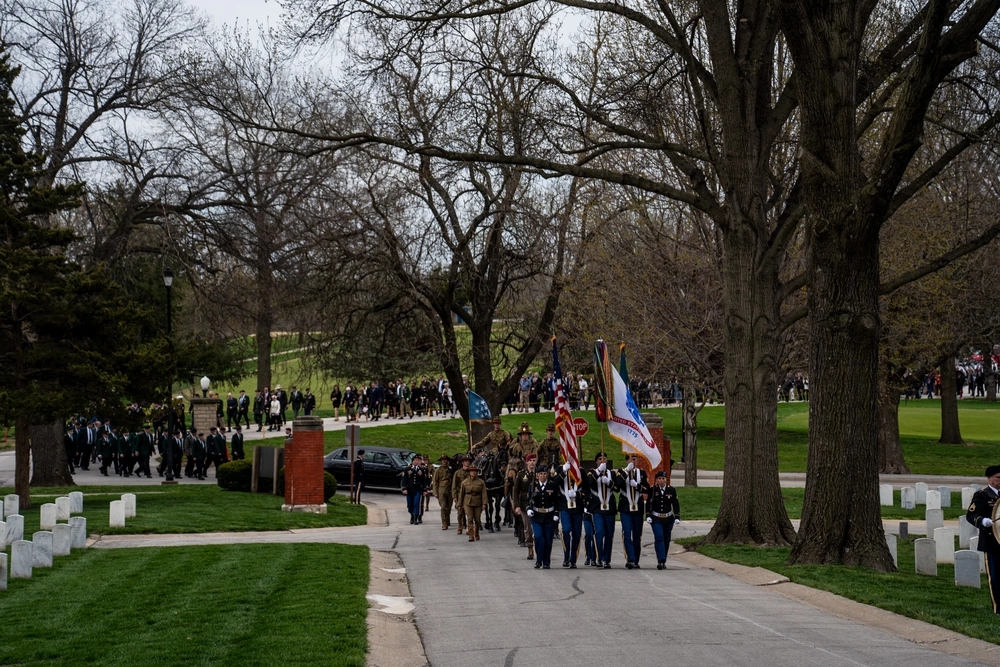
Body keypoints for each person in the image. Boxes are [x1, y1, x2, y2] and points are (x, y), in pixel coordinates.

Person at [967, 465, 1000, 613]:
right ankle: (998, 608)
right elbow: (971, 515)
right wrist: (982, 521)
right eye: (998, 478)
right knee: (996, 577)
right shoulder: (982, 495)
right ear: (989, 479)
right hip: (992, 542)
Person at [615, 453, 650, 569]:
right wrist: (626, 471)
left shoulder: (642, 473)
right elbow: (618, 484)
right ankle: (629, 558)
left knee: (637, 534)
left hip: (637, 507)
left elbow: (647, 489)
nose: (633, 461)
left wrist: (638, 486)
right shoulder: (621, 471)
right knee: (627, 532)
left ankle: (636, 559)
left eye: (635, 459)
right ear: (626, 461)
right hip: (625, 507)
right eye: (631, 459)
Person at [526, 464, 559, 568]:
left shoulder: (552, 485)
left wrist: (556, 513)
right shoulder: (533, 486)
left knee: (548, 540)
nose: (543, 476)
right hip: (537, 516)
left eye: (545, 474)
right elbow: (528, 500)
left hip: (549, 516)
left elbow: (556, 501)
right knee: (539, 537)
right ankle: (539, 560)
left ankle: (546, 562)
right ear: (537, 475)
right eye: (541, 474)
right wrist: (529, 509)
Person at [552, 461, 584, 568]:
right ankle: (566, 556)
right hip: (564, 506)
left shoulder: (581, 471)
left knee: (577, 533)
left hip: (577, 507)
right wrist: (564, 471)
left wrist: (577, 494)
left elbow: (587, 489)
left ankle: (573, 559)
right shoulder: (560, 470)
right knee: (565, 530)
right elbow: (554, 483)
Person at [646, 471, 681, 569]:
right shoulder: (653, 490)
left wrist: (677, 516)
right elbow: (649, 503)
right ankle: (660, 560)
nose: (661, 481)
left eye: (663, 479)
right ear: (657, 480)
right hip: (656, 518)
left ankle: (663, 559)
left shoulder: (671, 490)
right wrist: (648, 515)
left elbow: (675, 504)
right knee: (659, 537)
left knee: (666, 539)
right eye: (659, 479)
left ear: (666, 480)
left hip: (668, 518)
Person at [587, 452, 616, 568]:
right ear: (596, 462)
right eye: (599, 459)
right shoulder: (592, 472)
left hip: (610, 508)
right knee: (599, 532)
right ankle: (599, 557)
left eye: (604, 459)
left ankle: (607, 559)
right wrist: (598, 471)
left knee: (609, 534)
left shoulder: (612, 473)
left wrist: (609, 482)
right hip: (597, 508)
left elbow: (618, 488)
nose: (602, 461)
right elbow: (589, 481)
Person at [513, 454, 537, 558]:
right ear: (526, 462)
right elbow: (515, 490)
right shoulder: (521, 474)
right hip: (524, 504)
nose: (532, 462)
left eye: (534, 460)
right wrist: (516, 505)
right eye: (530, 460)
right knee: (528, 528)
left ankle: (539, 547)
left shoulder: (539, 473)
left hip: (537, 503)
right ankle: (530, 547)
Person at [457, 464, 487, 542]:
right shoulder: (464, 482)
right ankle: (471, 535)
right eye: (472, 471)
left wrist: (484, 503)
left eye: (475, 471)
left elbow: (484, 493)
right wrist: (459, 504)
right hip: (467, 502)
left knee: (477, 519)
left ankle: (476, 533)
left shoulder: (481, 482)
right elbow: (461, 494)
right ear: (469, 472)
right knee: (469, 519)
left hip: (478, 502)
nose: (473, 473)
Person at [402, 454, 431, 524]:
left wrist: (425, 489)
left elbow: (424, 480)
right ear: (412, 461)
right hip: (410, 489)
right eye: (414, 460)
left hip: (418, 489)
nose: (416, 461)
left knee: (417, 503)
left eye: (417, 460)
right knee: (410, 504)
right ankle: (411, 514)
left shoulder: (422, 470)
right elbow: (404, 479)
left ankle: (416, 517)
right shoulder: (407, 469)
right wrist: (404, 488)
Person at [432, 454, 454, 530]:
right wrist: (435, 492)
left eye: (445, 460)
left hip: (450, 489)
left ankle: (447, 520)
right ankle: (444, 523)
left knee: (449, 507)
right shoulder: (438, 470)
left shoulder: (451, 469)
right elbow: (435, 481)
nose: (444, 461)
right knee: (443, 506)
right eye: (443, 460)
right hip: (441, 490)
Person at [451, 455, 471, 534]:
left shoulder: (472, 472)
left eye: (468, 461)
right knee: (460, 512)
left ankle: (469, 528)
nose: (467, 462)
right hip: (460, 495)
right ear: (462, 462)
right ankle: (460, 527)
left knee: (469, 513)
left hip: (469, 494)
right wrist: (454, 496)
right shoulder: (457, 473)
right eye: (466, 461)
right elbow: (454, 485)